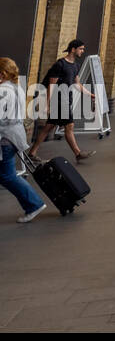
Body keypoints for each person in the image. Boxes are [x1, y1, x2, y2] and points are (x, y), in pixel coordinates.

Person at [29, 39, 94, 162]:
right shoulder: (60, 65)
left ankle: (32, 153)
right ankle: (78, 153)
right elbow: (51, 85)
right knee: (69, 125)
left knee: (49, 126)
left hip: (65, 99)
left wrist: (90, 94)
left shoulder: (75, 65)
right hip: (57, 100)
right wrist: (47, 104)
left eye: (83, 49)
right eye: (81, 48)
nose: (82, 51)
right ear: (73, 49)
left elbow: (77, 84)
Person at [0, 57, 45, 222]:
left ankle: (34, 204)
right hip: (14, 135)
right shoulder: (16, 87)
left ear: (2, 73)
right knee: (7, 174)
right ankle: (34, 204)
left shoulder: (3, 90)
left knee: (7, 176)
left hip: (5, 138)